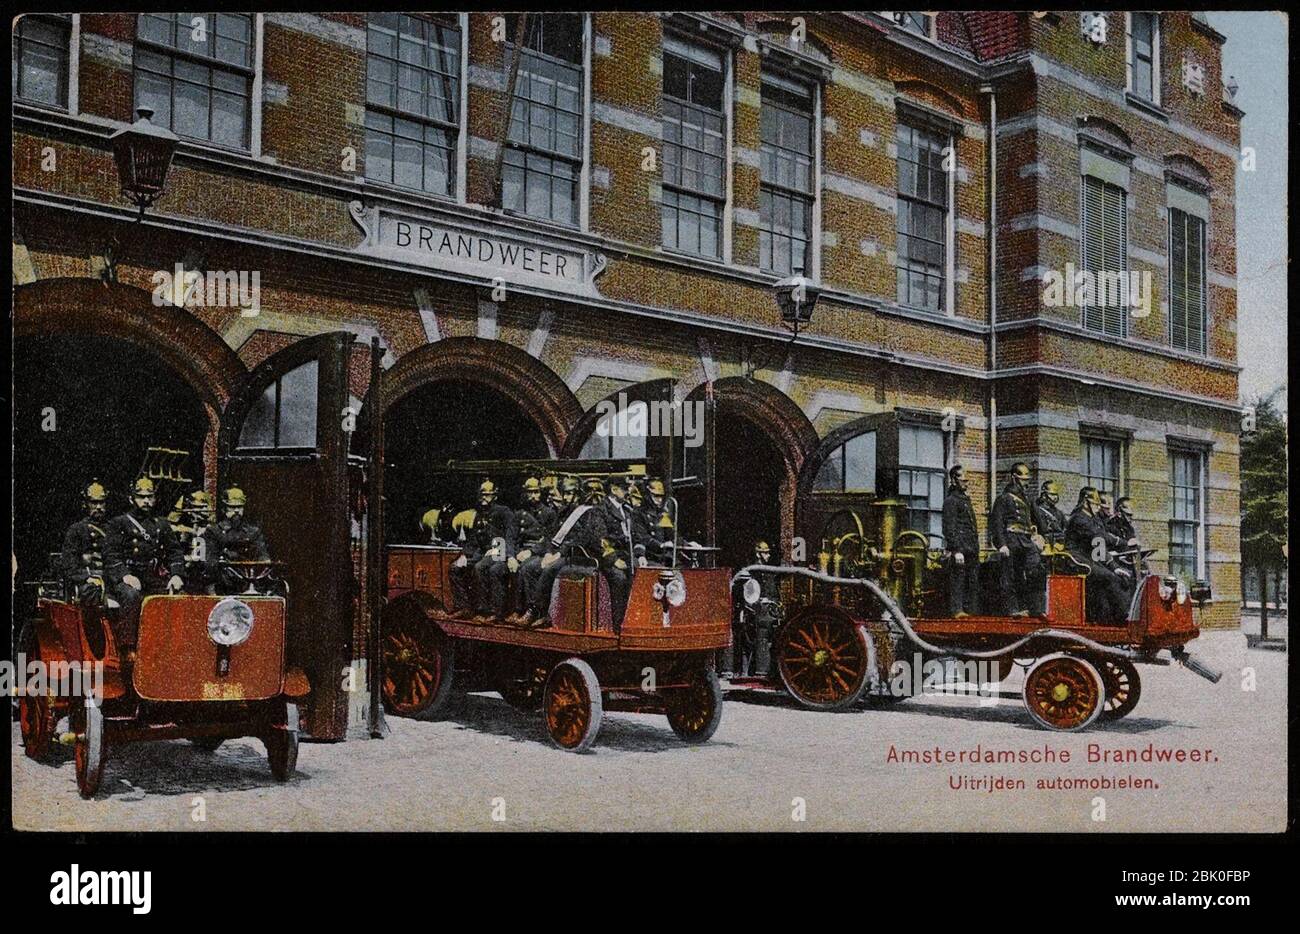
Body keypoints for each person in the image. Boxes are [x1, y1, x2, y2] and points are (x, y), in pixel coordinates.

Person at [515, 478, 609, 629]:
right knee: (530, 567)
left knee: (549, 569)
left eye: (570, 493)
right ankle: (537, 612)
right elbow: (551, 536)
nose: (565, 497)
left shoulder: (588, 512)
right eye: (564, 493)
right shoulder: (564, 511)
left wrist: (558, 554)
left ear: (578, 494)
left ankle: (535, 610)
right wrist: (548, 552)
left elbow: (583, 539)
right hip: (561, 553)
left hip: (577, 555)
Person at [103, 477, 185, 648]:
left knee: (179, 595)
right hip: (127, 577)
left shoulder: (161, 524)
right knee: (131, 596)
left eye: (150, 497)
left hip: (152, 576)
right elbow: (110, 554)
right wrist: (125, 575)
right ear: (132, 498)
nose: (146, 501)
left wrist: (177, 574)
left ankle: (173, 644)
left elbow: (175, 551)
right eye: (141, 497)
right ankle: (128, 646)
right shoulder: (119, 523)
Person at [488, 477, 556, 620]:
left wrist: (531, 551)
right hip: (519, 552)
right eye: (529, 492)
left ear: (541, 492)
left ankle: (524, 611)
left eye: (536, 492)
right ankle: (498, 611)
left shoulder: (549, 513)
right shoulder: (519, 514)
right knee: (496, 569)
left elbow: (549, 539)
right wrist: (511, 557)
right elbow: (510, 537)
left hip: (538, 553)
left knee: (525, 568)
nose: (533, 496)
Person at [449, 480, 517, 621]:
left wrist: (503, 552)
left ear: (495, 496)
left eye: (487, 495)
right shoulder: (479, 514)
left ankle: (488, 611)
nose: (484, 498)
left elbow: (511, 536)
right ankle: (464, 607)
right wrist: (465, 556)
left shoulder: (504, 512)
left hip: (500, 551)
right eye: (482, 495)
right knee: (455, 567)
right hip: (483, 551)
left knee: (481, 567)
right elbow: (473, 539)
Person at [1064, 487, 1133, 625]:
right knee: (1108, 577)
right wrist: (1122, 542)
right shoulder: (1079, 519)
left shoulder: (1092, 519)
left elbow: (1099, 546)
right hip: (1076, 559)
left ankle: (1116, 618)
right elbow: (1099, 536)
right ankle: (1119, 618)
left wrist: (1114, 567)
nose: (1097, 507)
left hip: (1090, 558)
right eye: (1095, 504)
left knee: (1121, 575)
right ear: (1085, 502)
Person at [988, 462, 1044, 616]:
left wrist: (1040, 537)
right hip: (1011, 539)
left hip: (1026, 540)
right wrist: (1001, 544)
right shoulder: (1004, 498)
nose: (1026, 482)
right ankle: (1012, 609)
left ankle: (1036, 608)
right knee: (1010, 576)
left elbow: (1039, 521)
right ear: (1014, 477)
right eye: (1023, 478)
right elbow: (996, 524)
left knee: (1036, 570)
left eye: (1027, 479)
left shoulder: (1027, 499)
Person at [203, 487, 272, 594]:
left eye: (239, 507)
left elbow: (263, 554)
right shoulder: (214, 532)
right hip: (223, 583)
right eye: (232, 507)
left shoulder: (253, 532)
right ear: (224, 509)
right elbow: (211, 562)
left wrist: (265, 562)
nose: (236, 511)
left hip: (248, 581)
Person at [59, 481, 111, 609]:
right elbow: (69, 564)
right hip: (87, 580)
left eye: (102, 502)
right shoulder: (76, 530)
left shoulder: (113, 528)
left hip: (110, 578)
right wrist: (86, 577)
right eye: (94, 503)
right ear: (85, 504)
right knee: (92, 593)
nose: (98, 507)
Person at [941, 465, 979, 617]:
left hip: (971, 547)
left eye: (967, 480)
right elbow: (949, 528)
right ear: (953, 480)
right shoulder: (951, 501)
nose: (966, 483)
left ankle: (971, 611)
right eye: (963, 480)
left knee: (972, 581)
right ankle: (957, 610)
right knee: (958, 580)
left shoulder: (964, 500)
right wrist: (956, 550)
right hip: (961, 549)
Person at [633, 478, 676, 566]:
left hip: (665, 556)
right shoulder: (638, 513)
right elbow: (642, 537)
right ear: (648, 495)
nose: (659, 500)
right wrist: (660, 545)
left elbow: (671, 533)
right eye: (656, 496)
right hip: (650, 555)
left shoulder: (662, 514)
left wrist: (688, 544)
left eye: (661, 496)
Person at [1034, 479, 1067, 547]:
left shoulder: (1059, 513)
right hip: (1044, 545)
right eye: (1052, 494)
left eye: (1056, 495)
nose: (1055, 497)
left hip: (1059, 544)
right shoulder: (1037, 511)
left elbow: (1066, 528)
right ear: (1044, 495)